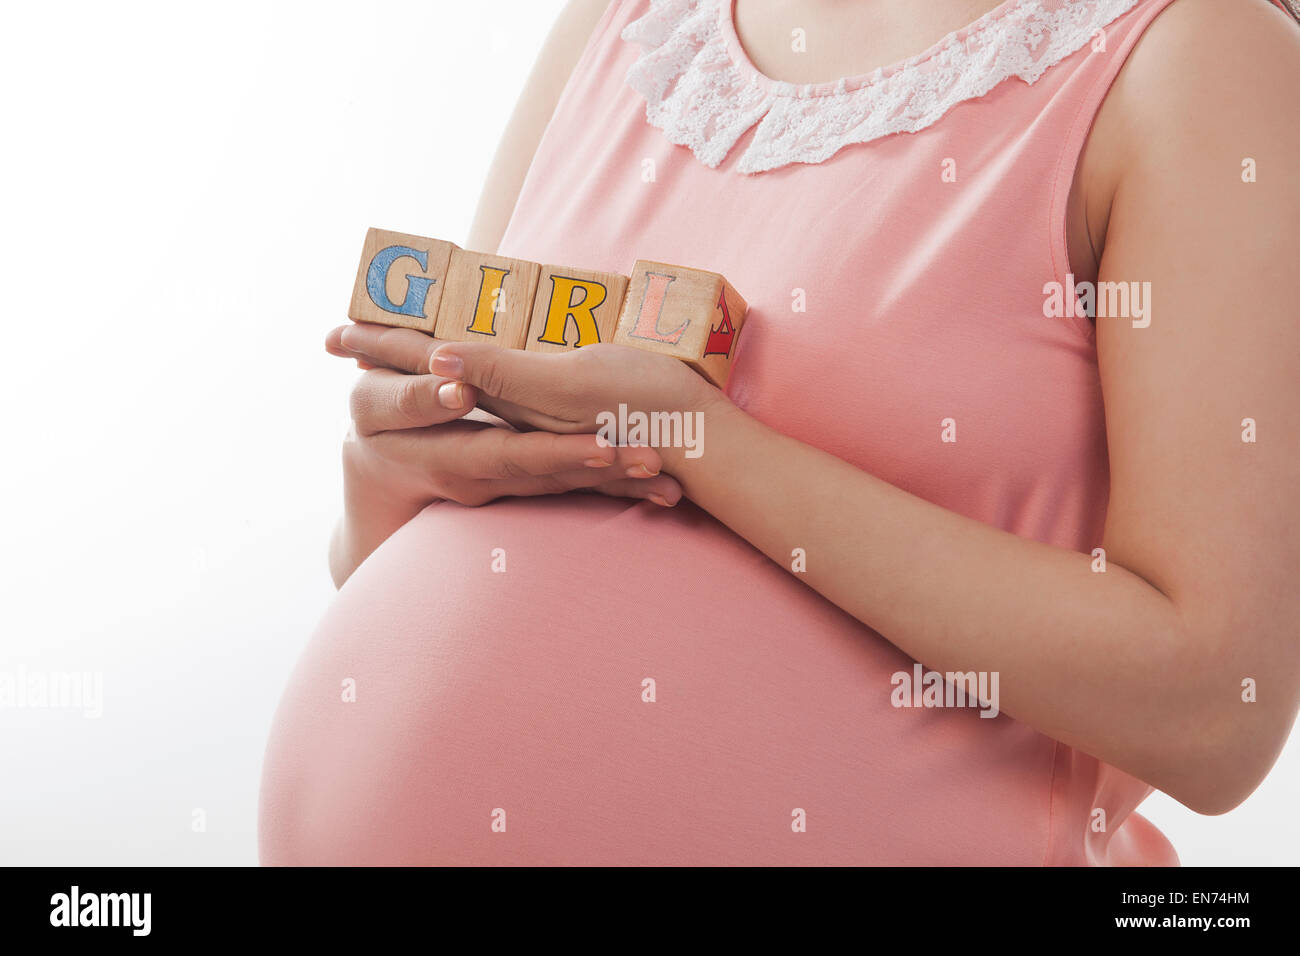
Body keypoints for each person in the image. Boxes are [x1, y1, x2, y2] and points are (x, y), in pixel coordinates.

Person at [259, 0, 1300, 865]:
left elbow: (1216, 709)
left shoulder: (1200, 54)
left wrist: (702, 444)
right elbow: (400, 553)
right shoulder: (629, 21)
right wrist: (388, 479)